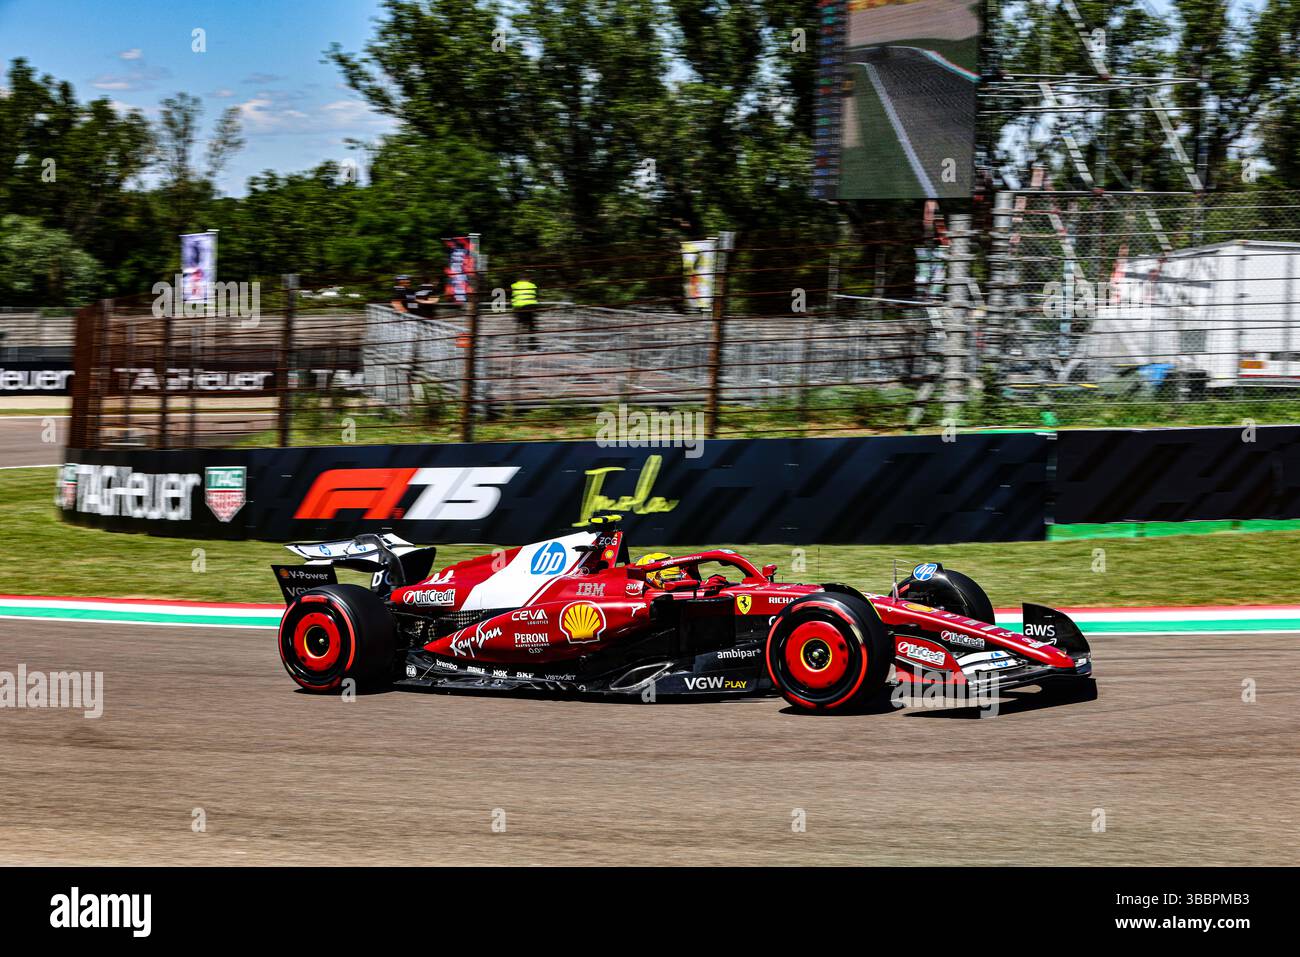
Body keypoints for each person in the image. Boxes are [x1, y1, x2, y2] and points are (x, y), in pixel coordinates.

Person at [510, 272, 540, 350]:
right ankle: (532, 345)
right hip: (531, 307)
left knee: (520, 326)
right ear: (528, 279)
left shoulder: (515, 285)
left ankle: (517, 344)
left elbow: (514, 298)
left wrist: (514, 309)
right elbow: (535, 296)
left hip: (520, 308)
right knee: (532, 326)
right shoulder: (532, 285)